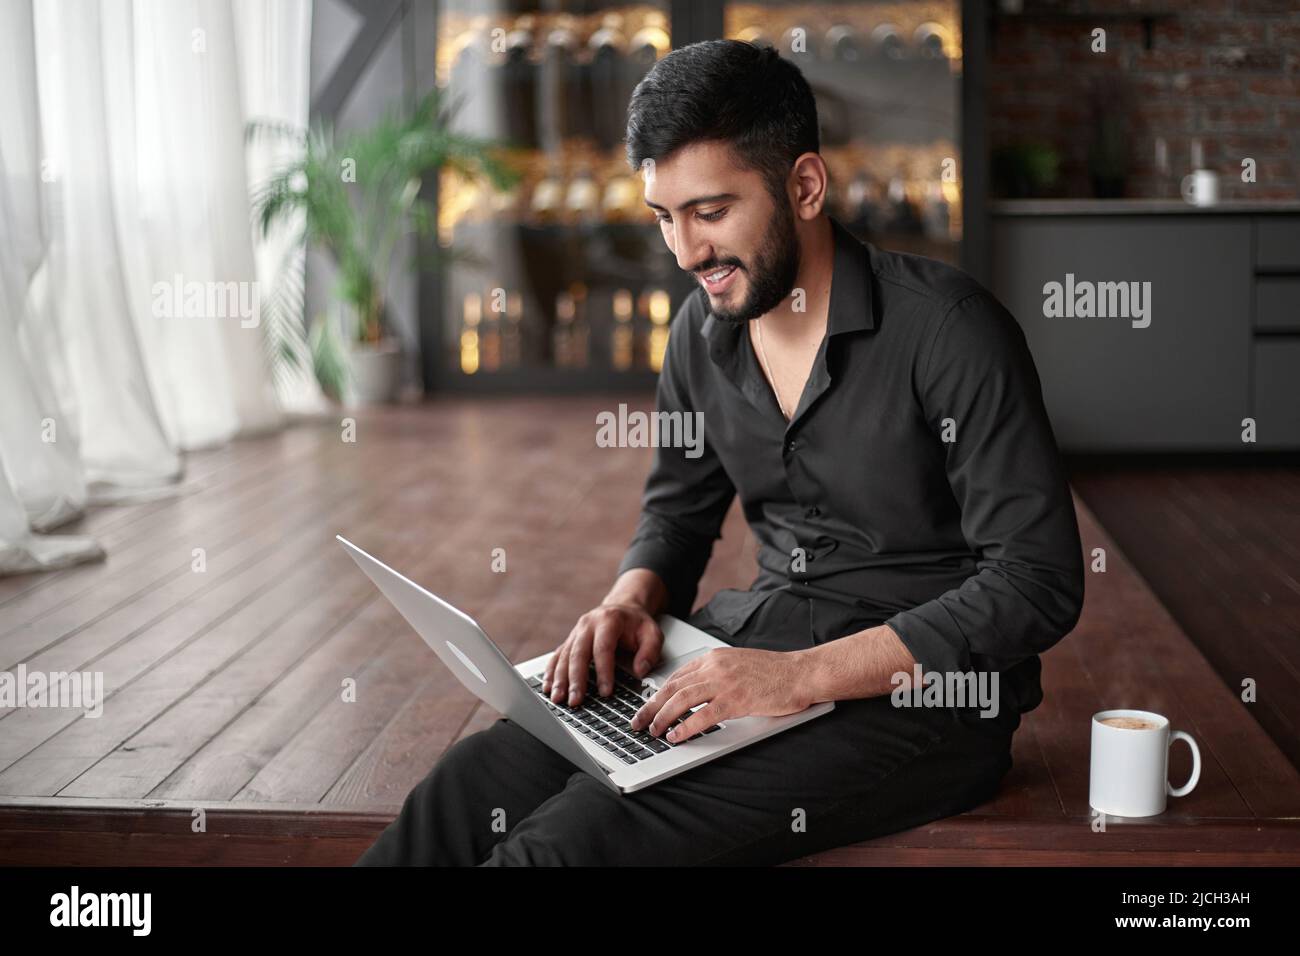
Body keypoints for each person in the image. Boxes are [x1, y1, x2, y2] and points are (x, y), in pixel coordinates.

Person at [355, 39, 1084, 867]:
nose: (685, 252)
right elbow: (678, 511)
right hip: (752, 646)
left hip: (922, 703)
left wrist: (798, 678)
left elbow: (1039, 580)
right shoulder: (699, 337)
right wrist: (629, 601)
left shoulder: (951, 330)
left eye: (710, 212)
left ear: (804, 186)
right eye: (664, 217)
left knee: (575, 839)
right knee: (463, 788)